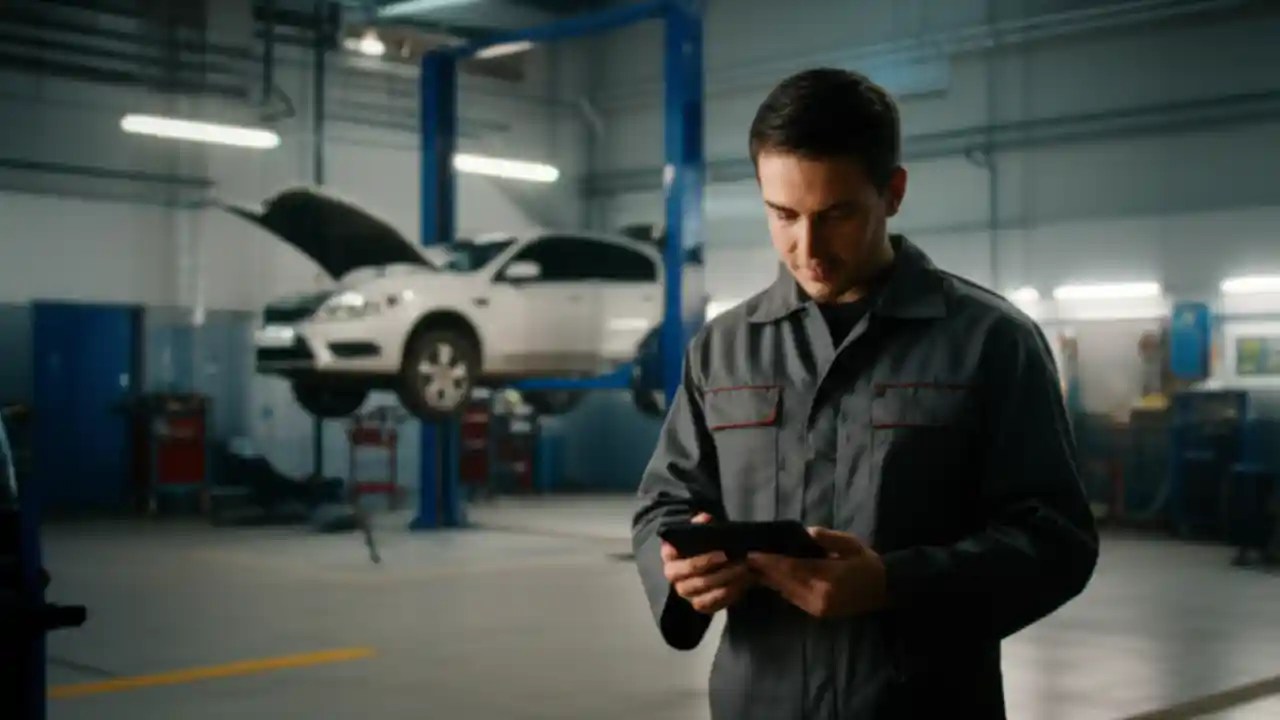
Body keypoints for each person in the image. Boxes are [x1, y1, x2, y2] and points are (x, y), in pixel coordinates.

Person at [631, 68, 1099, 719]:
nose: (808, 248)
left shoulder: (991, 342)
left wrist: (894, 585)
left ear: (894, 191)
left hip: (921, 704)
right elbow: (665, 502)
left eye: (838, 214)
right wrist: (681, 573)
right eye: (783, 215)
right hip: (757, 702)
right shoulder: (723, 349)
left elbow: (1056, 541)